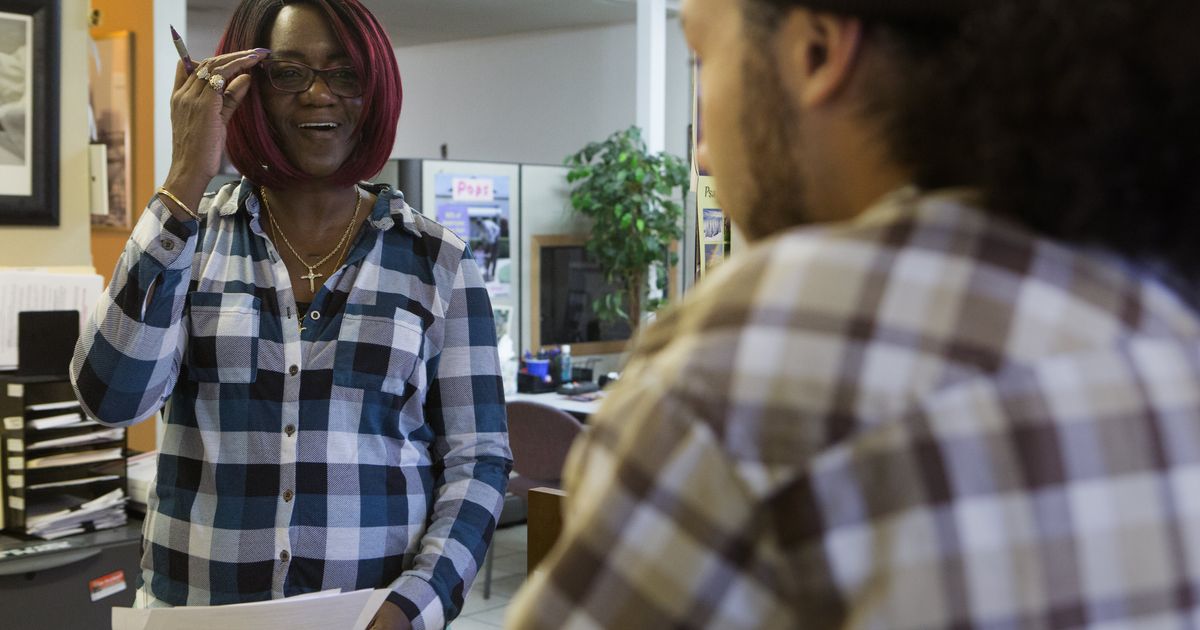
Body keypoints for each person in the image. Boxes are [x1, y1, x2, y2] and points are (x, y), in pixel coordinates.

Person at [509, 0, 1200, 627]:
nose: (703, 151)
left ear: (815, 50)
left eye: (702, 58)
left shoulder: (757, 348)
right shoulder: (1155, 316)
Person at [70, 1, 511, 628]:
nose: (319, 96)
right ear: (248, 91)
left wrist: (414, 607)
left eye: (344, 74)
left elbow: (479, 461)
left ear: (373, 90)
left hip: (369, 616)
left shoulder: (438, 263)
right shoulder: (189, 242)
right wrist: (185, 175)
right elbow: (111, 398)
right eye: (289, 73)